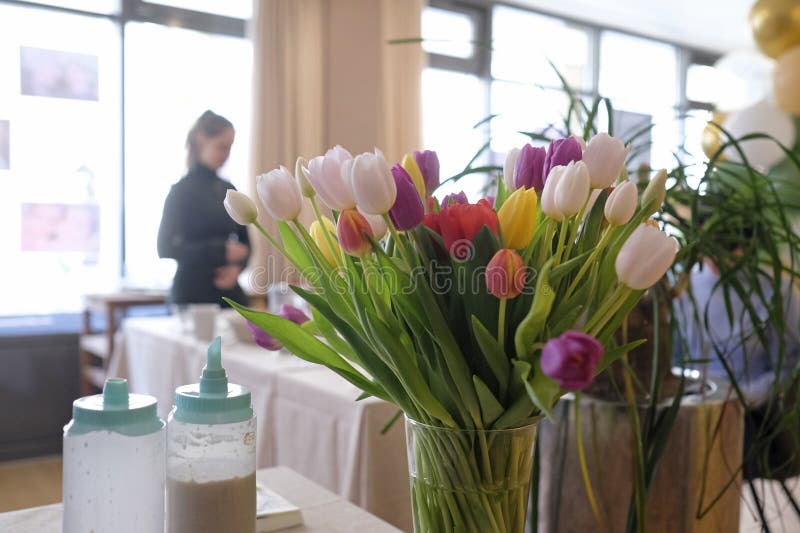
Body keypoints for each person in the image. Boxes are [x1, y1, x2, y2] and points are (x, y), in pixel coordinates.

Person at [677, 222, 800, 479]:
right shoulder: (682, 285)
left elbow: (789, 359)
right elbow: (675, 356)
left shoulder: (775, 288)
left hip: (754, 417)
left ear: (748, 246)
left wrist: (750, 395)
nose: (717, 259)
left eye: (729, 250)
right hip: (691, 412)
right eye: (709, 250)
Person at [157, 110, 250, 307]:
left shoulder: (229, 190)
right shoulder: (180, 191)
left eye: (230, 148)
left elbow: (247, 245)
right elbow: (164, 247)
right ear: (201, 140)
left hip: (227, 293)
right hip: (191, 294)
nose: (226, 155)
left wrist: (237, 268)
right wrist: (219, 250)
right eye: (222, 146)